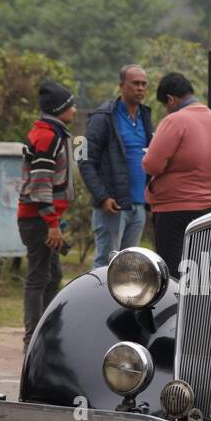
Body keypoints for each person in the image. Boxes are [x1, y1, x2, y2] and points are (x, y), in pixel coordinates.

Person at [142, 72, 211, 274]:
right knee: (202, 271)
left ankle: (176, 307)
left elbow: (152, 165)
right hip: (210, 209)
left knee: (173, 273)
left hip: (173, 211)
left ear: (171, 99)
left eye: (166, 105)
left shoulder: (174, 121)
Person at [18, 81, 75, 351]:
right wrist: (52, 224)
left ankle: (47, 331)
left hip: (45, 219)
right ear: (59, 109)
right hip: (38, 220)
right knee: (39, 277)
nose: (74, 109)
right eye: (70, 105)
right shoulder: (47, 137)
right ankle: (33, 338)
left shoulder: (53, 133)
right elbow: (41, 186)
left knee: (52, 276)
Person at [81, 65, 153, 268]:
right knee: (106, 264)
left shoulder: (145, 116)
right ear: (121, 86)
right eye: (135, 83)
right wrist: (102, 197)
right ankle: (97, 300)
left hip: (138, 205)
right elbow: (84, 159)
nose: (140, 88)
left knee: (128, 267)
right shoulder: (101, 117)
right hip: (113, 205)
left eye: (144, 84)